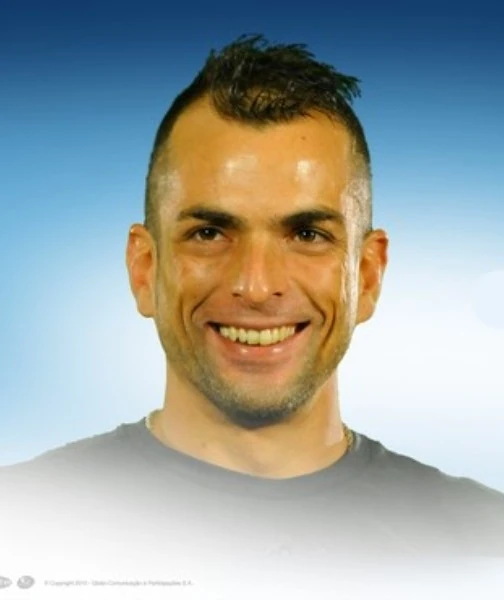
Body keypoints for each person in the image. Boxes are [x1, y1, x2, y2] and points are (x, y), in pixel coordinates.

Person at [1, 34, 504, 596]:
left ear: (367, 276)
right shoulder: (16, 527)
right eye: (209, 233)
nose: (257, 286)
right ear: (144, 269)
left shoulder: (487, 545)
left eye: (307, 234)